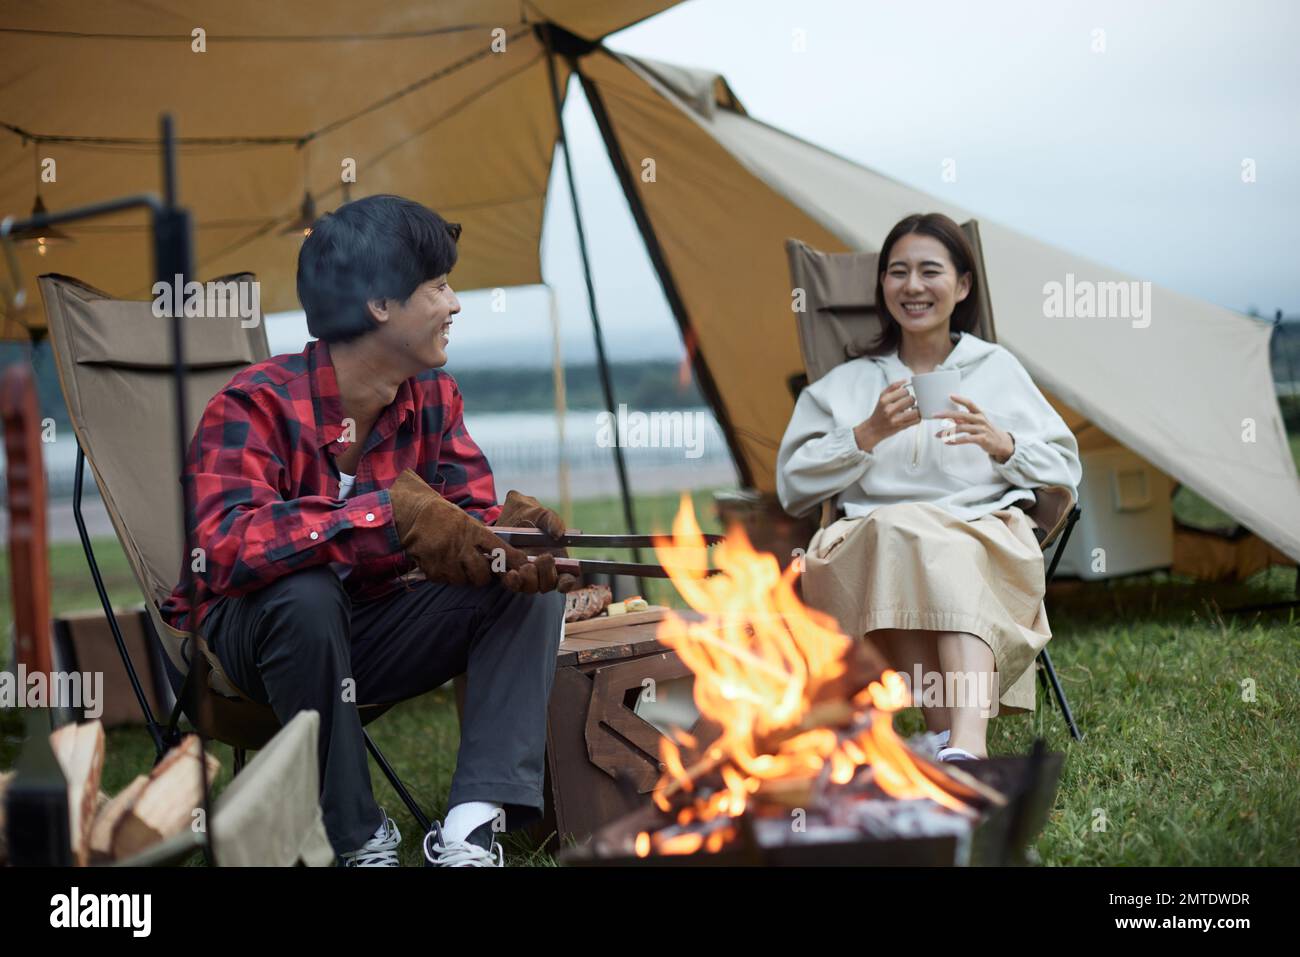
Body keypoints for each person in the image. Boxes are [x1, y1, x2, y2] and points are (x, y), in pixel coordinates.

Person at [161, 194, 575, 866]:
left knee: (519, 583)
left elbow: (465, 523)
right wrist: (381, 513)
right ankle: (353, 835)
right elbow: (221, 548)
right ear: (380, 303)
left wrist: (510, 538)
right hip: (255, 645)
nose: (455, 302)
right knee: (306, 592)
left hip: (372, 630)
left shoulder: (432, 398)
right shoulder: (253, 404)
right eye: (438, 285)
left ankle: (470, 830)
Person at [776, 212, 1081, 761]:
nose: (912, 286)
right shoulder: (847, 384)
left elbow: (1064, 466)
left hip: (984, 534)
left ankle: (956, 740)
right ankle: (957, 745)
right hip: (871, 542)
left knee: (935, 542)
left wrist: (1004, 444)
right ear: (883, 287)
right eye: (897, 272)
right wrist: (865, 434)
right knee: (904, 533)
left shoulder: (996, 369)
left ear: (962, 286)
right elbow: (792, 483)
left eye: (929, 271)